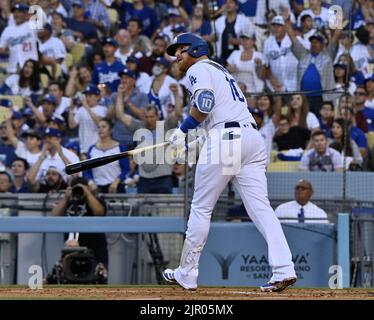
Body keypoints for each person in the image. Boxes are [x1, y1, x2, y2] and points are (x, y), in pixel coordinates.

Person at [162, 33, 296, 292]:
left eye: (181, 49)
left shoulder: (198, 68)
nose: (176, 55)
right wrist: (190, 141)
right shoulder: (221, 71)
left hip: (228, 138)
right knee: (262, 210)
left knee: (201, 208)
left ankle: (187, 274)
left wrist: (182, 131)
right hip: (250, 138)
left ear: (197, 49)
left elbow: (205, 103)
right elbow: (218, 116)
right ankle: (284, 269)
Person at [51, 176, 108, 271]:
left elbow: (99, 212)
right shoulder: (67, 202)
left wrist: (87, 193)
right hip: (71, 252)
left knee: (98, 280)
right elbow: (54, 217)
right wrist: (66, 198)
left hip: (95, 250)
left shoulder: (97, 201)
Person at [84, 118, 130, 193]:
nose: (100, 129)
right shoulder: (92, 149)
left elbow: (126, 169)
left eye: (104, 127)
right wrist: (91, 182)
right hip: (97, 189)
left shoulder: (120, 147)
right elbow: (87, 171)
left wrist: (116, 182)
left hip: (115, 188)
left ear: (111, 130)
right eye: (98, 127)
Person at [68, 84, 107, 155]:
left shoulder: (103, 109)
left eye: (90, 96)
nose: (87, 98)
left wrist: (86, 106)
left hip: (98, 148)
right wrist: (71, 109)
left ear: (98, 97)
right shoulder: (81, 109)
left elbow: (99, 122)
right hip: (84, 148)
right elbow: (72, 125)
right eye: (86, 96)